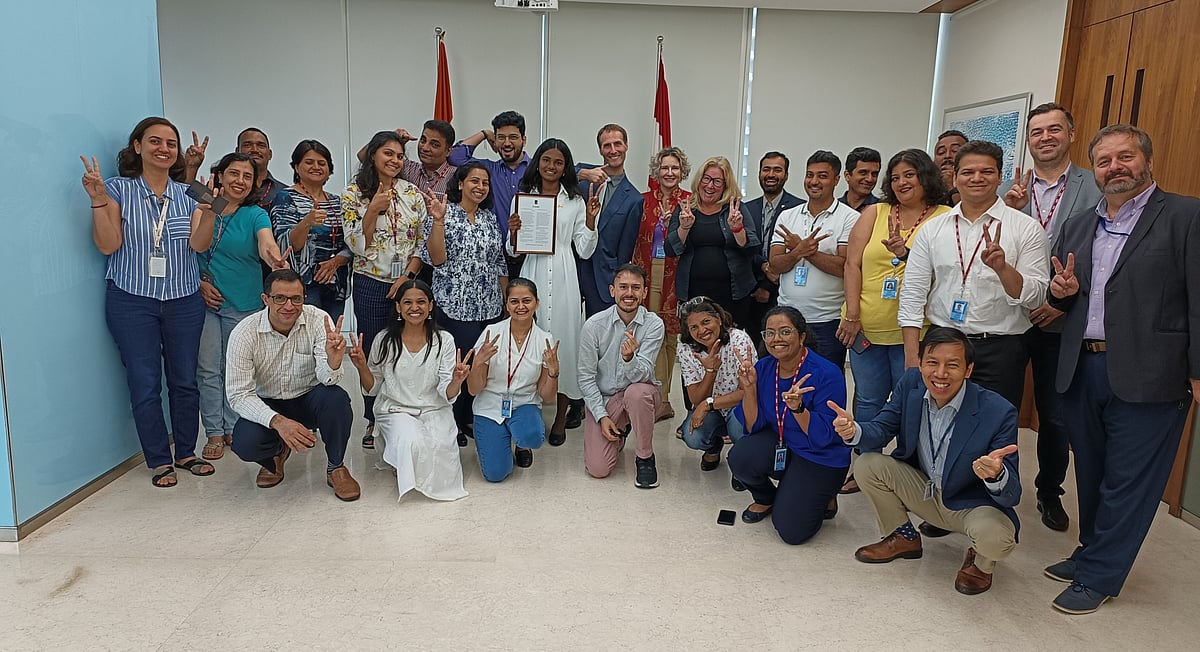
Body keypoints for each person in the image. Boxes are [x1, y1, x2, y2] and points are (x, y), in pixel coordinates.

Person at [1044, 124, 1200, 615]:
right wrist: (1060, 294)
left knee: (1129, 481)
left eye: (1125, 157)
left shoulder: (1186, 215)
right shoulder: (1078, 225)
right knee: (1091, 471)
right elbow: (1064, 295)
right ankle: (1091, 550)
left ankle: (1100, 575)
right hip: (1083, 366)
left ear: (1147, 161)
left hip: (1152, 371)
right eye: (1104, 160)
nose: (1115, 167)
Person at [832, 326, 1021, 596]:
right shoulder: (911, 384)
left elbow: (1013, 493)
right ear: (920, 363)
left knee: (998, 540)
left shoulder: (998, 411)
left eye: (952, 365)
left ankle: (981, 562)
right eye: (932, 362)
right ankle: (903, 537)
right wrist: (855, 431)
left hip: (969, 504)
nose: (940, 374)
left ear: (968, 370)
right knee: (866, 465)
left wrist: (996, 474)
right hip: (924, 490)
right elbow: (883, 426)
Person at [80, 116, 215, 487]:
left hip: (184, 299)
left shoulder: (193, 192)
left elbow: (199, 244)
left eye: (170, 143)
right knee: (144, 381)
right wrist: (97, 201)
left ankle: (186, 452)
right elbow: (108, 245)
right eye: (155, 141)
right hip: (131, 299)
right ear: (137, 147)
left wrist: (209, 214)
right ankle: (158, 460)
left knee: (185, 380)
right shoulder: (116, 188)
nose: (164, 149)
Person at [999, 103, 1104, 533]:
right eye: (1037, 131)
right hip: (1009, 317)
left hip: (1061, 321)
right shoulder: (1006, 189)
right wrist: (1010, 208)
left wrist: (1060, 303)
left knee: (1055, 414)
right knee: (998, 408)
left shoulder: (1094, 185)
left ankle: (1048, 491)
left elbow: (1102, 255)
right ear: (1028, 140)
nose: (1045, 137)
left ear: (1071, 135)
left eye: (1054, 129)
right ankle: (994, 487)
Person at [898, 140, 1050, 409]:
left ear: (999, 177)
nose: (977, 178)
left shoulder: (1025, 228)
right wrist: (913, 358)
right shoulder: (933, 229)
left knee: (995, 427)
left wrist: (1003, 269)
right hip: (943, 344)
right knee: (938, 423)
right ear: (955, 177)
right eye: (968, 172)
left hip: (1000, 349)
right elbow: (912, 295)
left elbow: (1036, 297)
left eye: (987, 171)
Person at [837, 149, 950, 494]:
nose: (901, 182)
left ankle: (907, 470)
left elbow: (945, 272)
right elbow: (852, 264)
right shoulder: (875, 212)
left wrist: (906, 253)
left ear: (925, 176)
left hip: (916, 333)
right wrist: (852, 314)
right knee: (869, 401)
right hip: (865, 327)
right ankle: (865, 466)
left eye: (909, 175)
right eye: (896, 177)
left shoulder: (944, 217)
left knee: (913, 403)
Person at [225, 269, 360, 501]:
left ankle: (336, 466)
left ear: (304, 298)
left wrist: (333, 361)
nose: (289, 306)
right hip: (269, 403)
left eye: (296, 298)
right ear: (266, 299)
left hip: (309, 397)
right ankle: (276, 454)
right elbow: (238, 395)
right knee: (245, 443)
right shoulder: (244, 333)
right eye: (280, 298)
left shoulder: (319, 320)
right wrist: (278, 422)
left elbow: (327, 379)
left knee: (337, 399)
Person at [193, 152, 287, 462]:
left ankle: (234, 426)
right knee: (208, 369)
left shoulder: (255, 214)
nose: (240, 181)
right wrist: (200, 282)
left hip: (243, 303)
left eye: (247, 176)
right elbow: (195, 247)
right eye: (234, 173)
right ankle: (214, 431)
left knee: (238, 369)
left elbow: (266, 242)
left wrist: (273, 257)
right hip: (205, 300)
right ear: (220, 175)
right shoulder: (204, 203)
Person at [727, 306, 849, 544]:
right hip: (784, 443)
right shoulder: (764, 367)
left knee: (792, 532)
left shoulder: (827, 373)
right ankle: (768, 498)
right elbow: (752, 427)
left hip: (818, 455)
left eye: (785, 331)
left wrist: (798, 409)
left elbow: (824, 437)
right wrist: (749, 389)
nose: (776, 339)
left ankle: (822, 493)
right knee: (741, 457)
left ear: (802, 336)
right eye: (770, 333)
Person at [506, 138, 599, 446]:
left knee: (564, 344)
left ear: (565, 167)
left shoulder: (574, 200)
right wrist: (514, 232)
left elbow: (584, 250)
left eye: (558, 162)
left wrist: (590, 220)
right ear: (538, 162)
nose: (551, 166)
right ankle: (528, 415)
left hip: (563, 275)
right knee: (529, 343)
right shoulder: (524, 198)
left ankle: (560, 418)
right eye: (546, 160)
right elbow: (512, 250)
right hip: (532, 271)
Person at [342, 130, 428, 450]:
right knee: (373, 352)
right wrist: (372, 210)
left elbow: (422, 242)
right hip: (370, 282)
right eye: (388, 154)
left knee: (405, 349)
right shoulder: (354, 194)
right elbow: (356, 245)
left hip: (406, 284)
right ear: (373, 155)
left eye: (400, 156)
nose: (395, 160)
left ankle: (404, 409)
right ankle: (372, 418)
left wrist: (407, 276)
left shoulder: (412, 193)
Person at [347, 279, 469, 501]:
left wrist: (457, 380)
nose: (415, 308)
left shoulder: (444, 340)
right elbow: (373, 388)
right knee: (411, 442)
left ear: (430, 306)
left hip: (434, 409)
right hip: (395, 410)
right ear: (398, 307)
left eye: (421, 302)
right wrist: (362, 367)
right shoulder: (384, 339)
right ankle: (399, 460)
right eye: (407, 302)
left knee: (440, 446)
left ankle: (405, 464)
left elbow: (448, 393)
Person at [420, 162, 507, 445]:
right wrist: (438, 221)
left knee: (481, 363)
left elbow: (499, 262)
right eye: (474, 181)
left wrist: (505, 299)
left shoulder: (489, 218)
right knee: (458, 364)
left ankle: (470, 416)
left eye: (485, 182)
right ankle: (453, 420)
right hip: (454, 304)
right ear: (460, 183)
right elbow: (436, 259)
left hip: (489, 305)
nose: (480, 187)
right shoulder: (443, 213)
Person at [769, 150, 859, 370]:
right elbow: (775, 265)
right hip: (787, 317)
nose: (814, 181)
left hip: (827, 321)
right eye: (810, 175)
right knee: (785, 379)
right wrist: (797, 252)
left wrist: (808, 252)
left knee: (825, 381)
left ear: (836, 180)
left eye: (822, 176)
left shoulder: (850, 218)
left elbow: (844, 267)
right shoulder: (788, 215)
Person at [578, 264, 665, 488]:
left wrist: (629, 359)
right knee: (598, 469)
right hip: (606, 398)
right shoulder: (593, 325)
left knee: (637, 393)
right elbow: (586, 378)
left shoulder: (654, 324)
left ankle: (645, 457)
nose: (629, 293)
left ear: (644, 292)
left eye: (636, 287)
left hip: (640, 393)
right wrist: (601, 416)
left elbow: (645, 373)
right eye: (623, 287)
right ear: (612, 290)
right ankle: (620, 430)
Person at [467, 279, 559, 482]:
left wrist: (553, 373)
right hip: (490, 405)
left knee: (532, 436)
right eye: (514, 301)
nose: (520, 306)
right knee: (495, 474)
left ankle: (520, 442)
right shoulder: (491, 333)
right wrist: (478, 363)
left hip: (524, 404)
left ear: (537, 303)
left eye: (527, 300)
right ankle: (500, 438)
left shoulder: (544, 339)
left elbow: (547, 396)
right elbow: (473, 390)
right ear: (507, 305)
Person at [665, 156, 760, 333]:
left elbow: (752, 250)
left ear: (725, 185)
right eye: (706, 179)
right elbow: (670, 250)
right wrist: (684, 228)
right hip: (693, 293)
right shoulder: (686, 207)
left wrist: (737, 229)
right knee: (697, 341)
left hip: (732, 295)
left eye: (717, 181)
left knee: (729, 343)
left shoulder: (736, 208)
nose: (710, 186)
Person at [632, 147, 692, 422]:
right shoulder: (642, 201)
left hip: (676, 274)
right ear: (657, 171)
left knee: (670, 337)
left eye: (675, 168)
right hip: (647, 272)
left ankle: (663, 399)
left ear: (682, 171)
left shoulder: (690, 202)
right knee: (652, 335)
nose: (669, 173)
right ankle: (656, 397)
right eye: (665, 168)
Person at [271, 139, 351, 321]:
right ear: (296, 167)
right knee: (305, 333)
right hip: (302, 285)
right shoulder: (286, 197)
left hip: (335, 282)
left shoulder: (337, 201)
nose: (316, 167)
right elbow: (287, 246)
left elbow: (351, 242)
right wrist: (307, 222)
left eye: (322, 163)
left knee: (330, 332)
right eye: (309, 162)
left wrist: (335, 262)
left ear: (329, 169)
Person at [677, 297, 756, 477]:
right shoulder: (686, 348)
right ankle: (713, 448)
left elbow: (748, 391)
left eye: (706, 322)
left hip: (739, 405)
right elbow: (695, 399)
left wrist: (709, 404)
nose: (702, 330)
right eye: (694, 327)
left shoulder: (738, 339)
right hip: (712, 410)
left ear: (719, 319)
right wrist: (710, 371)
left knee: (740, 429)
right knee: (692, 436)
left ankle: (740, 460)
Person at [575, 124, 643, 317]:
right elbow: (553, 170)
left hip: (603, 280)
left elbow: (624, 252)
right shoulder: (584, 178)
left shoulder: (634, 199)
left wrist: (617, 284)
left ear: (626, 146)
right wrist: (583, 173)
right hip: (572, 272)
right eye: (607, 145)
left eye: (617, 144)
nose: (613, 150)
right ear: (600, 150)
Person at [741, 152, 805, 352]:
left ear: (786, 175)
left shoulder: (799, 209)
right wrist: (761, 276)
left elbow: (797, 252)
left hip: (783, 292)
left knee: (783, 351)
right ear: (759, 173)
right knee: (754, 352)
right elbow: (743, 249)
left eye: (777, 170)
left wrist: (768, 286)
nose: (771, 174)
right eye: (766, 169)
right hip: (751, 294)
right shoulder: (746, 208)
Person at [449, 110, 531, 236]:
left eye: (513, 137)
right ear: (495, 141)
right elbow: (455, 157)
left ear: (523, 140)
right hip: (494, 245)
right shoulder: (488, 170)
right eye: (501, 137)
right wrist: (484, 133)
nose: (507, 143)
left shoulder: (537, 170)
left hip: (531, 246)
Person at [358, 120, 458, 198]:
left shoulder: (457, 176)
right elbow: (364, 157)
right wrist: (392, 139)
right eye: (423, 140)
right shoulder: (407, 168)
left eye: (434, 145)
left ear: (448, 151)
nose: (425, 148)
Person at [237, 127, 289, 210]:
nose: (255, 150)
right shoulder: (224, 187)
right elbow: (215, 212)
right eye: (247, 145)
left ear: (270, 154)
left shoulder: (285, 193)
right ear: (237, 152)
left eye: (261, 146)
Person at [840, 147, 882, 212]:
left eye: (874, 174)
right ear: (847, 176)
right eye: (863, 173)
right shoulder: (834, 208)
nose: (869, 179)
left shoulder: (883, 208)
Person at [933, 130, 968, 206]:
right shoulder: (925, 188)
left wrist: (951, 188)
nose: (947, 156)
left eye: (955, 150)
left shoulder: (976, 182)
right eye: (941, 152)